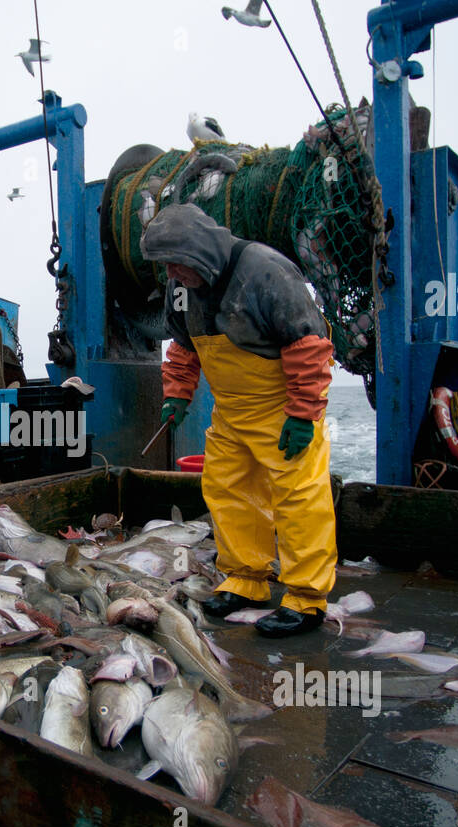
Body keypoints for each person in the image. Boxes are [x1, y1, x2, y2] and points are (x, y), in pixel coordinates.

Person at [140, 204, 337, 638]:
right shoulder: (181, 288)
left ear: (200, 252)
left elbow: (309, 345)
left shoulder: (266, 272)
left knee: (299, 499)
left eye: (177, 262)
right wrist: (176, 394)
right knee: (227, 489)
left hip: (282, 410)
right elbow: (184, 347)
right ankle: (247, 580)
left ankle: (306, 598)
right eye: (165, 265)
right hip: (230, 411)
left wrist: (303, 414)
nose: (172, 272)